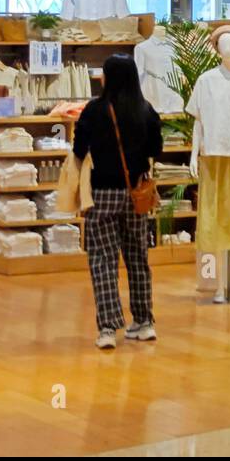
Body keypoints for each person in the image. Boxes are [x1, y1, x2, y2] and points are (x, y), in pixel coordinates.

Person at [73, 53, 163, 350]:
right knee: (138, 257)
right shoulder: (145, 109)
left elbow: (78, 148)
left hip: (102, 194)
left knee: (103, 260)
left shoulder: (95, 110)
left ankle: (108, 327)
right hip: (136, 194)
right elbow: (156, 148)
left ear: (108, 77)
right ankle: (144, 322)